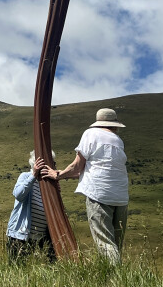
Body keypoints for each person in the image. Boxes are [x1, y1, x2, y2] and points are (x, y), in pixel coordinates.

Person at [45, 108, 129, 264]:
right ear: (114, 125)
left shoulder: (91, 134)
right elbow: (90, 170)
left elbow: (77, 167)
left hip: (99, 194)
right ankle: (120, 277)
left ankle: (113, 280)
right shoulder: (117, 140)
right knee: (116, 244)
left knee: (105, 243)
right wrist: (63, 174)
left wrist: (57, 175)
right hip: (122, 197)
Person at [5, 150, 57, 263]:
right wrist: (34, 175)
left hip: (41, 239)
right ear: (36, 164)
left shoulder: (48, 185)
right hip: (20, 236)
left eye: (53, 163)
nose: (51, 166)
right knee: (17, 269)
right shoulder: (25, 177)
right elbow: (18, 194)